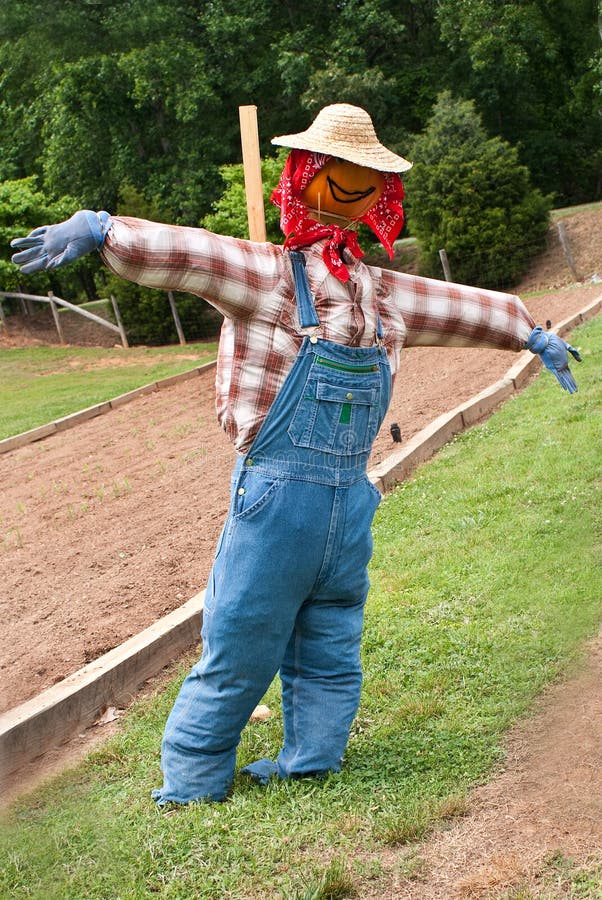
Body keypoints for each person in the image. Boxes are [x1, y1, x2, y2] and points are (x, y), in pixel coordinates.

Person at [11, 104, 581, 805]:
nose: (354, 184)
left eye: (367, 176)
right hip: (278, 499)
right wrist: (105, 230)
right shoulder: (270, 277)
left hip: (350, 500)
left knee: (329, 642)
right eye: (341, 170)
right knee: (242, 641)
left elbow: (457, 307)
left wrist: (528, 333)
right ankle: (193, 778)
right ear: (305, 174)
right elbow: (193, 255)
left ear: (382, 193)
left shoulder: (382, 293)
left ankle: (311, 759)